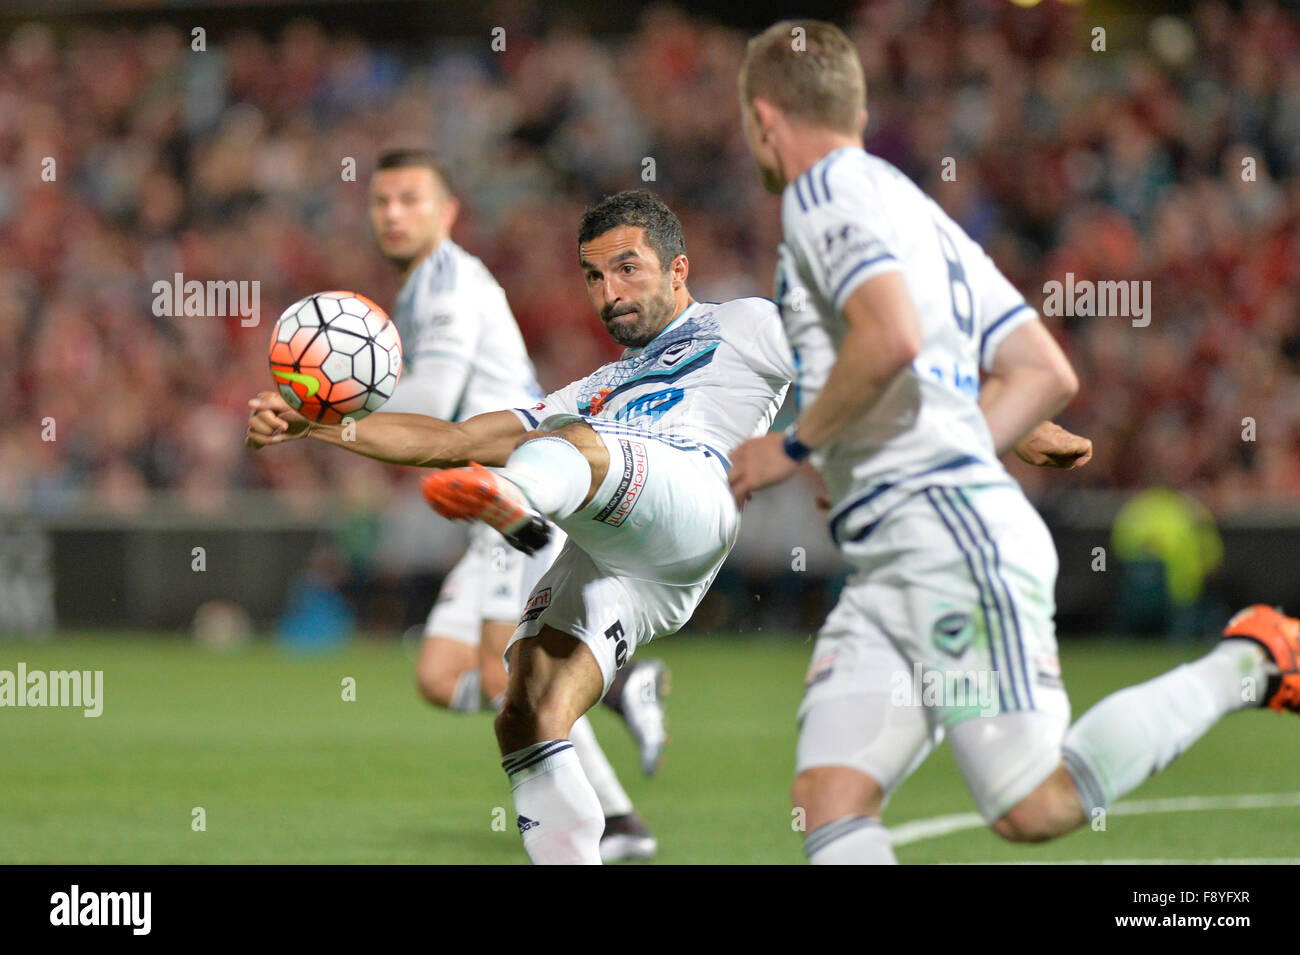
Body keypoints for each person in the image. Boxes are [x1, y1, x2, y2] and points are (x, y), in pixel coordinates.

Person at [729, 19, 1299, 864]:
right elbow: (1041, 371)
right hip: (899, 552)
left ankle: (1253, 658)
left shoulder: (818, 196)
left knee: (1032, 805)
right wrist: (950, 437)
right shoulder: (910, 205)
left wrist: (795, 448)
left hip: (946, 541)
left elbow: (889, 337)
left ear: (764, 117)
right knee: (831, 797)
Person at [247, 190, 796, 864]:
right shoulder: (600, 385)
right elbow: (455, 439)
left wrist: (806, 446)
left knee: (578, 443)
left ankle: (512, 496)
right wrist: (320, 423)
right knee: (526, 711)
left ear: (679, 269)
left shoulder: (744, 322)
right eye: (594, 275)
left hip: (693, 496)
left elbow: (850, 359)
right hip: (620, 556)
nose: (609, 291)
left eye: (629, 268)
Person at [367, 152, 659, 860]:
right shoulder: (418, 288)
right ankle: (617, 723)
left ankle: (613, 813)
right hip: (484, 505)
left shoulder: (449, 281)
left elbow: (435, 409)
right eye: (381, 201)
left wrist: (331, 406)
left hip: (518, 493)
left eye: (411, 198)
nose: (394, 213)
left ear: (448, 211)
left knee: (506, 674)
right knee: (441, 676)